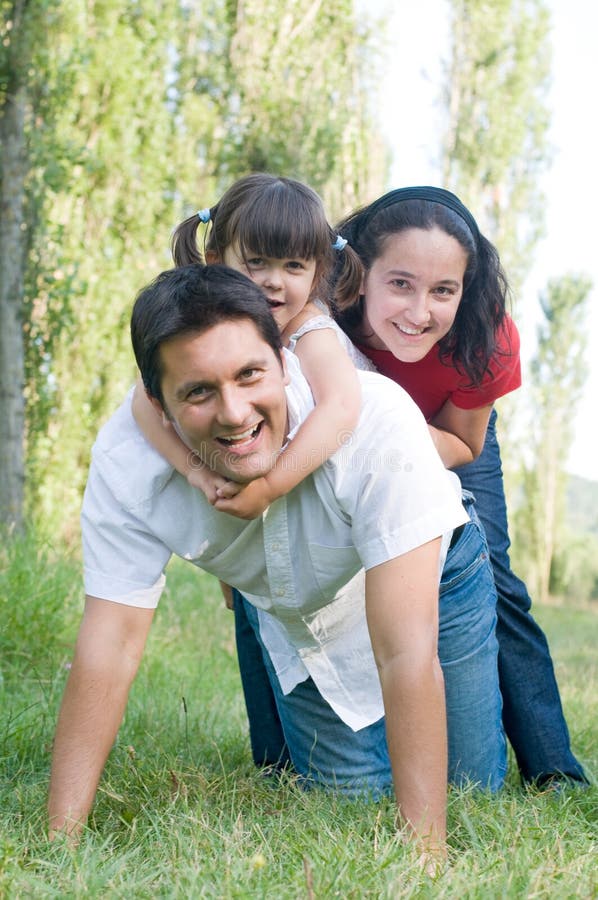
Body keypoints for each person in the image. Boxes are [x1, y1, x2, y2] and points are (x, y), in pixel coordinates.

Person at [47, 264, 506, 866]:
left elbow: (405, 651)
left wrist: (426, 856)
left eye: (249, 374)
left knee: (466, 789)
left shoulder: (375, 422)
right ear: (158, 405)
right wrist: (59, 841)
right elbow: (111, 644)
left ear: (284, 363)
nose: (235, 413)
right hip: (307, 616)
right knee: (352, 806)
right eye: (198, 391)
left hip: (431, 579)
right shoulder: (128, 464)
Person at [333, 185, 587, 789]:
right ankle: (281, 763)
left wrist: (388, 438)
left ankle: (553, 768)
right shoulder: (324, 312)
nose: (419, 312)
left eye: (442, 290)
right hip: (341, 435)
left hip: (444, 434)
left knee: (494, 577)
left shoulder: (487, 337)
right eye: (400, 284)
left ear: (465, 291)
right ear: (360, 275)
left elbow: (464, 445)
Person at [132, 173, 372, 521]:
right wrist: (198, 473)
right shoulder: (211, 326)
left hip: (363, 483)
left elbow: (342, 406)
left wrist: (270, 487)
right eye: (256, 262)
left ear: (316, 273)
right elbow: (145, 399)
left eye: (293, 266)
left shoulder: (310, 330)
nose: (273, 281)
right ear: (216, 262)